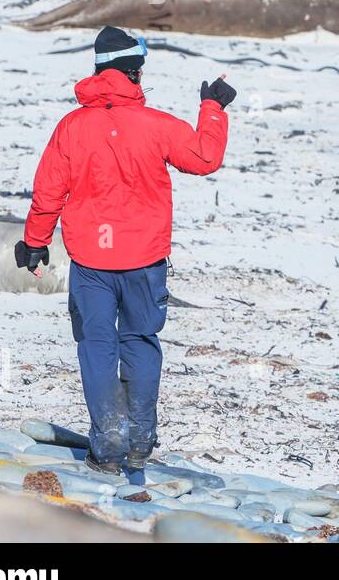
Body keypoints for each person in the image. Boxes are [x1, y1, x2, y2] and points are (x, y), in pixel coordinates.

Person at [15, 26, 235, 473]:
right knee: (139, 341)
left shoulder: (72, 127)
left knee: (96, 345)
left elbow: (48, 192)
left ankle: (108, 440)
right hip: (145, 260)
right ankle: (139, 439)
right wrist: (213, 107)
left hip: (92, 262)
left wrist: (35, 243)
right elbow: (205, 158)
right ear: (134, 73)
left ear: (98, 71)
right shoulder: (157, 125)